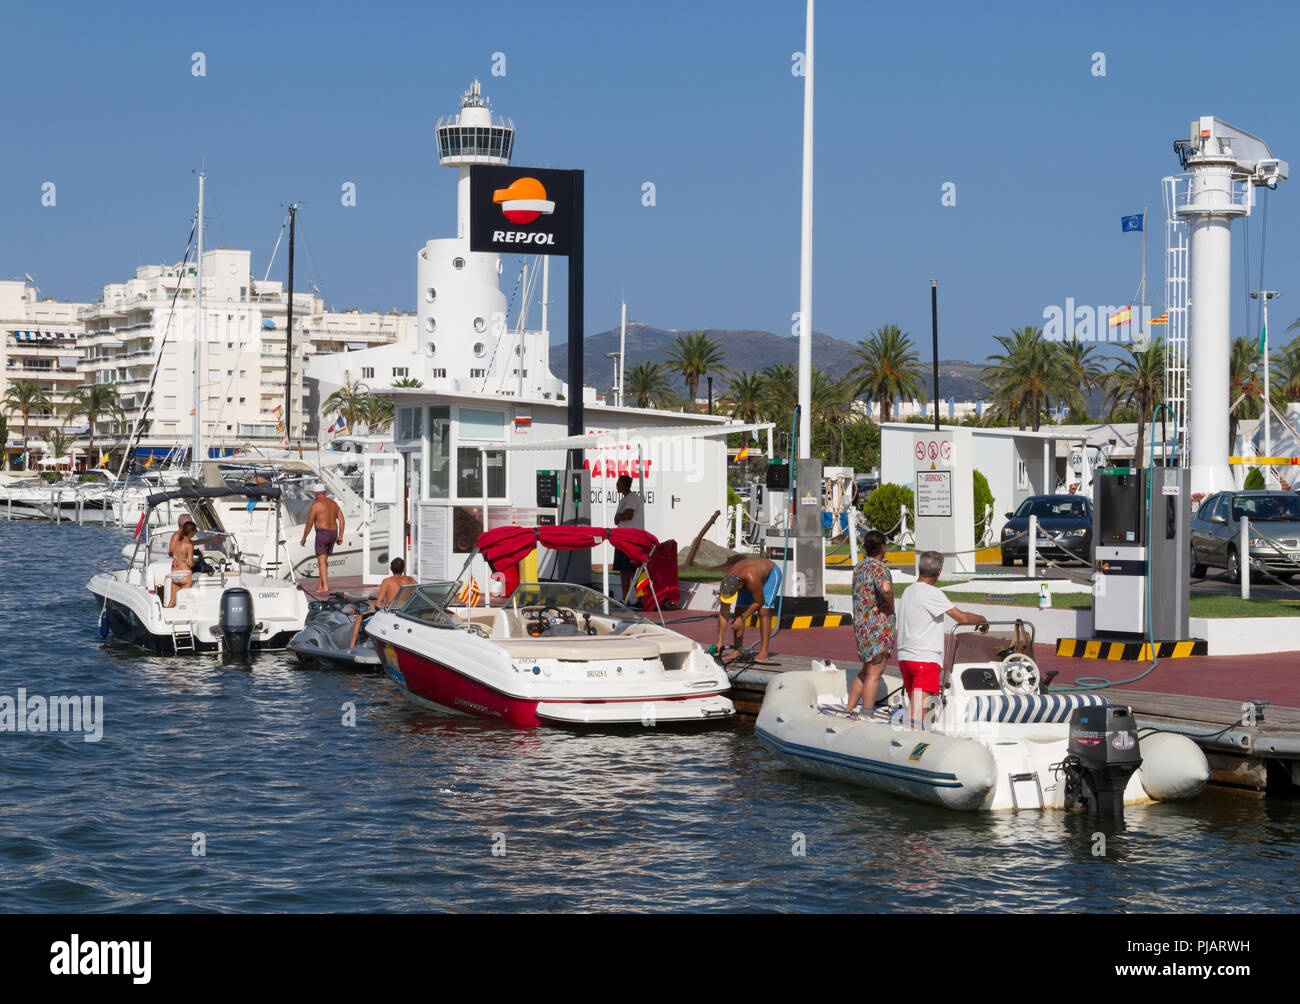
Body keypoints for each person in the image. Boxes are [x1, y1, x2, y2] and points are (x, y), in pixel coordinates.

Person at [894, 550, 987, 728]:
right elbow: (963, 618)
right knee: (917, 714)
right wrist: (983, 619)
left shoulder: (908, 591)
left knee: (918, 708)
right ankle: (910, 746)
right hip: (924, 659)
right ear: (939, 572)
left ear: (919, 568)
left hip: (905, 658)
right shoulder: (932, 593)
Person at [846, 530, 894, 718]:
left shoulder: (860, 566)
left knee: (866, 670)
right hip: (878, 625)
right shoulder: (880, 569)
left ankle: (849, 708)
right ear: (882, 546)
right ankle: (867, 712)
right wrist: (889, 603)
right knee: (875, 672)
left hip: (862, 624)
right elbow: (886, 588)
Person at [715, 556, 782, 664]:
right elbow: (723, 613)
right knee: (738, 612)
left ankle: (763, 653)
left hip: (770, 575)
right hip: (748, 576)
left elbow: (759, 601)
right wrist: (719, 641)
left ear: (740, 586)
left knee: (763, 611)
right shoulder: (727, 582)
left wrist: (743, 618)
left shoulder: (751, 578)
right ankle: (738, 650)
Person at [350, 557, 417, 647]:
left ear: (390, 568)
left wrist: (378, 609)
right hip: (407, 613)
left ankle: (351, 648)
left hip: (391, 614)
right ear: (404, 569)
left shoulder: (387, 582)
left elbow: (377, 605)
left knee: (359, 618)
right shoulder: (411, 580)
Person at [300, 482, 344, 594]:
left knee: (321, 561)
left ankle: (325, 586)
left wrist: (304, 537)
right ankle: (320, 584)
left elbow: (309, 523)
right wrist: (340, 536)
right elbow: (342, 520)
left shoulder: (316, 505)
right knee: (323, 561)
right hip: (333, 533)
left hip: (322, 534)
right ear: (324, 492)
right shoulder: (334, 504)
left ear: (316, 493)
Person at [611, 474, 645, 602]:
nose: (617, 485)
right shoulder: (623, 500)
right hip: (621, 539)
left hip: (631, 540)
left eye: (618, 483)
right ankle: (625, 600)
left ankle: (642, 600)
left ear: (624, 485)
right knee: (623, 571)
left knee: (632, 571)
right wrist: (620, 516)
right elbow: (616, 519)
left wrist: (621, 516)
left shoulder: (633, 498)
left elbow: (628, 515)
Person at [166, 522, 198, 608]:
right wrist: (196, 562)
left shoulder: (177, 543)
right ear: (191, 532)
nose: (196, 532)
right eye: (195, 530)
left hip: (175, 573)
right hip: (185, 574)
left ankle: (169, 617)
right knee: (182, 602)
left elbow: (173, 554)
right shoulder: (189, 545)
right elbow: (190, 563)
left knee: (172, 601)